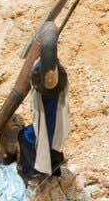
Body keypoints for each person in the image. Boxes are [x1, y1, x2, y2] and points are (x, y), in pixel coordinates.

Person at [16, 21, 69, 180]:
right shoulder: (59, 81)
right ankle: (54, 166)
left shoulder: (43, 89)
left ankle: (32, 172)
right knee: (50, 137)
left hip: (44, 132)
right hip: (55, 130)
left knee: (24, 136)